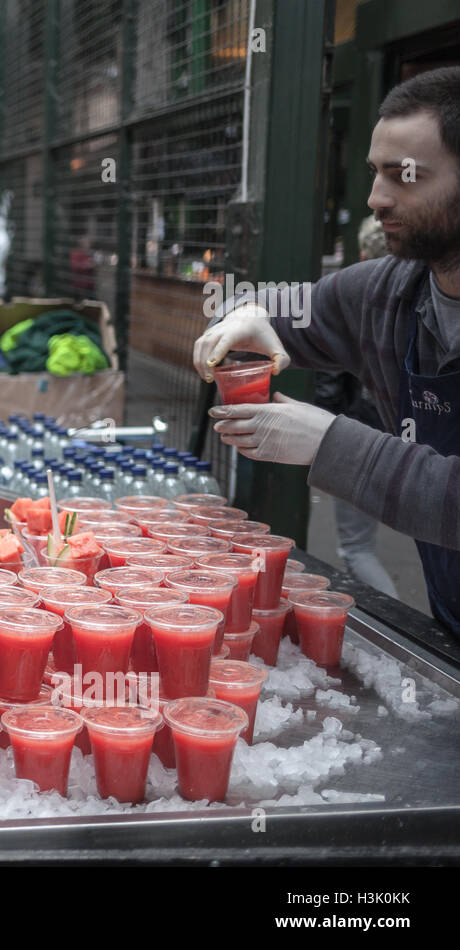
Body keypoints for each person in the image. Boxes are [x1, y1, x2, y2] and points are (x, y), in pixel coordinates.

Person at [195, 67, 460, 634]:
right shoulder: (391, 290)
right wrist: (248, 314)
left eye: (404, 176)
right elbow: (293, 304)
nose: (376, 199)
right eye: (374, 173)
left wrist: (328, 443)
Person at [311, 217, 398, 598]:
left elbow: (330, 381)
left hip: (362, 433)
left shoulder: (357, 307)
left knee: (356, 546)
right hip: (398, 439)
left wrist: (320, 440)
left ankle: (400, 631)